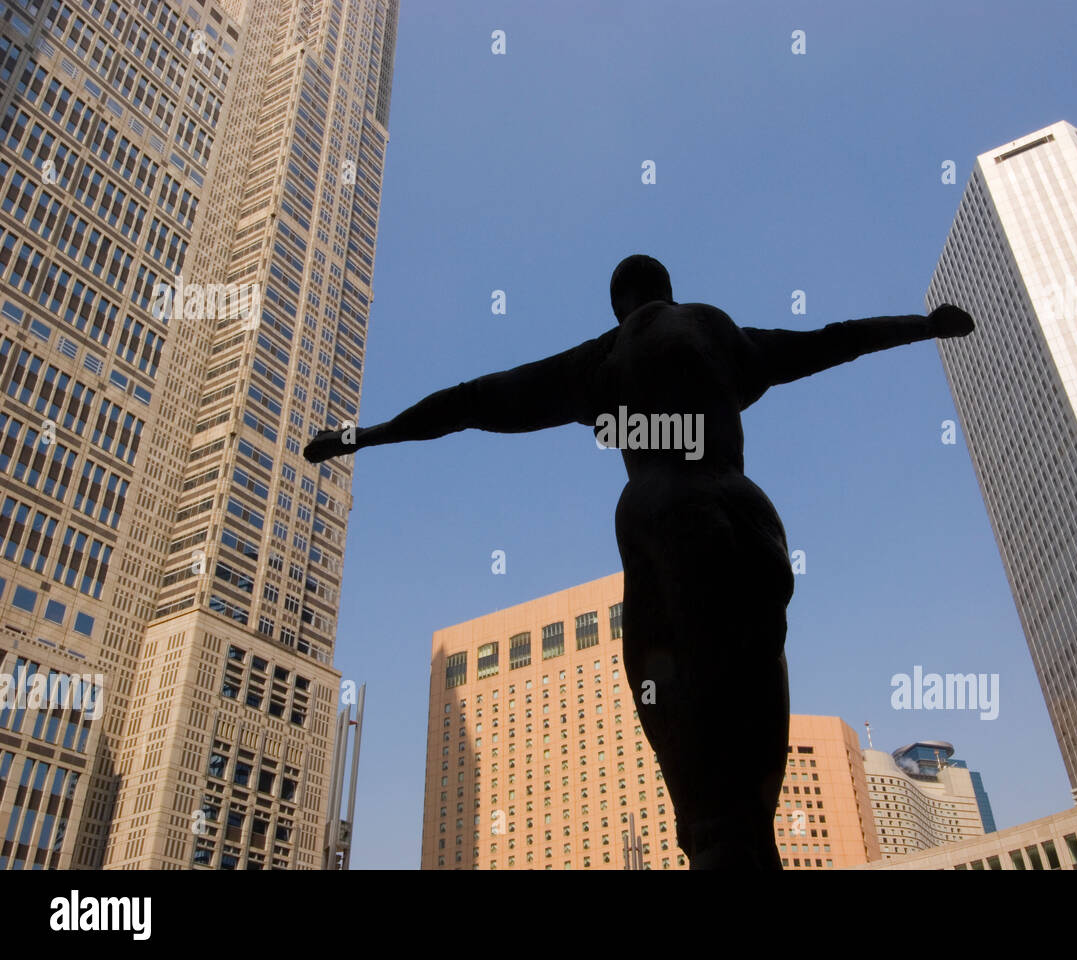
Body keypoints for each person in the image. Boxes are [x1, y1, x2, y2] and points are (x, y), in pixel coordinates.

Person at [305, 254, 975, 868]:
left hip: (663, 511)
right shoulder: (724, 335)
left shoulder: (604, 358)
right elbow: (835, 339)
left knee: (698, 775)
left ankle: (714, 838)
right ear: (667, 289)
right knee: (750, 726)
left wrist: (365, 434)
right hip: (747, 510)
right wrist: (924, 326)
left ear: (620, 304)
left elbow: (476, 401)